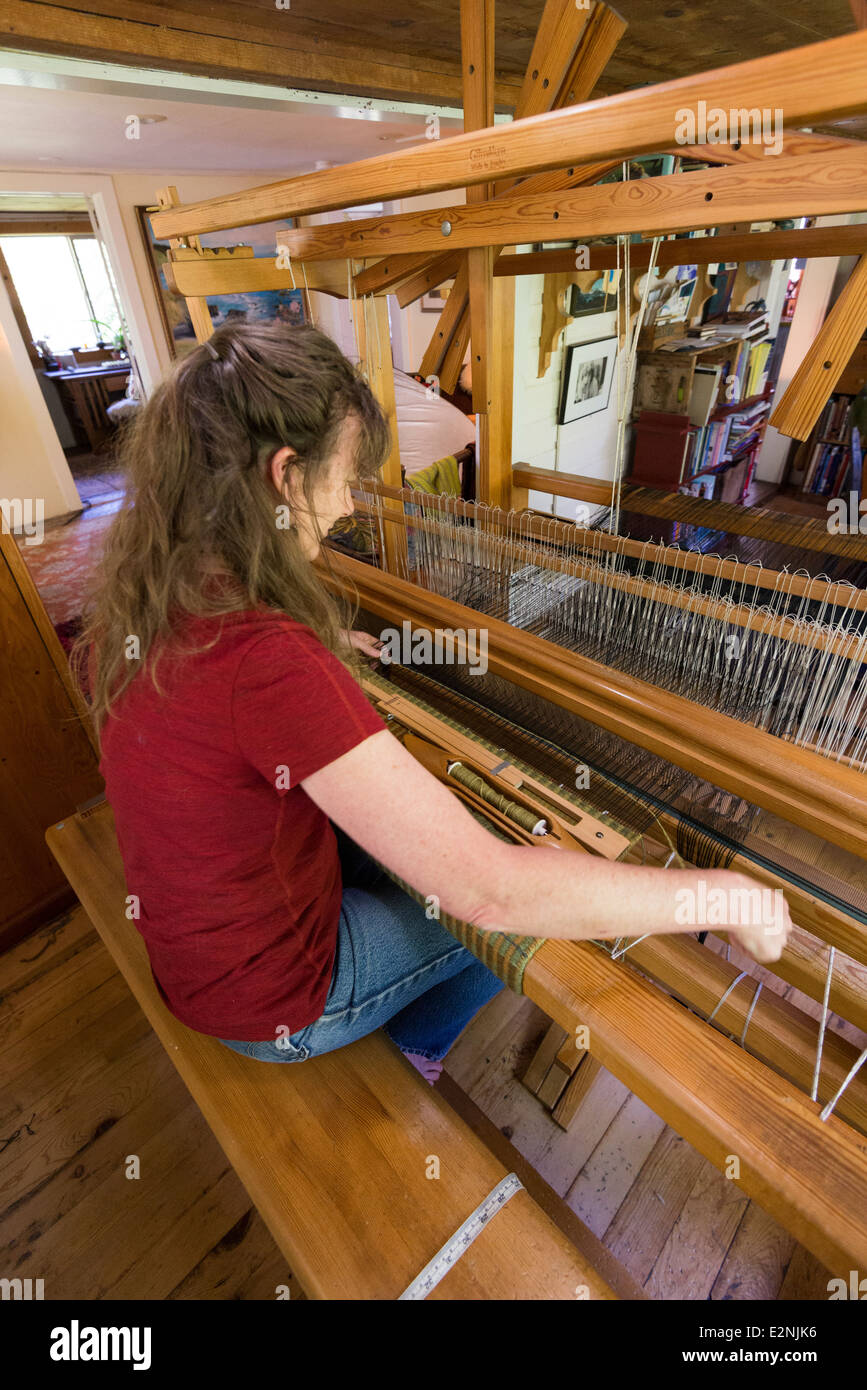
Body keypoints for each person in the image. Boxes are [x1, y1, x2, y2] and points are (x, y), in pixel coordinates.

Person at [77, 322, 790, 1087]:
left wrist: (326, 648)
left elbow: (221, 714)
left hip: (194, 950)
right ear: (285, 476)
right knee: (538, 903)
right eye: (344, 476)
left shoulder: (142, 601)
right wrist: (723, 895)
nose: (349, 503)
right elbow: (490, 895)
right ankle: (422, 1041)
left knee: (483, 855)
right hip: (277, 1007)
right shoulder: (270, 665)